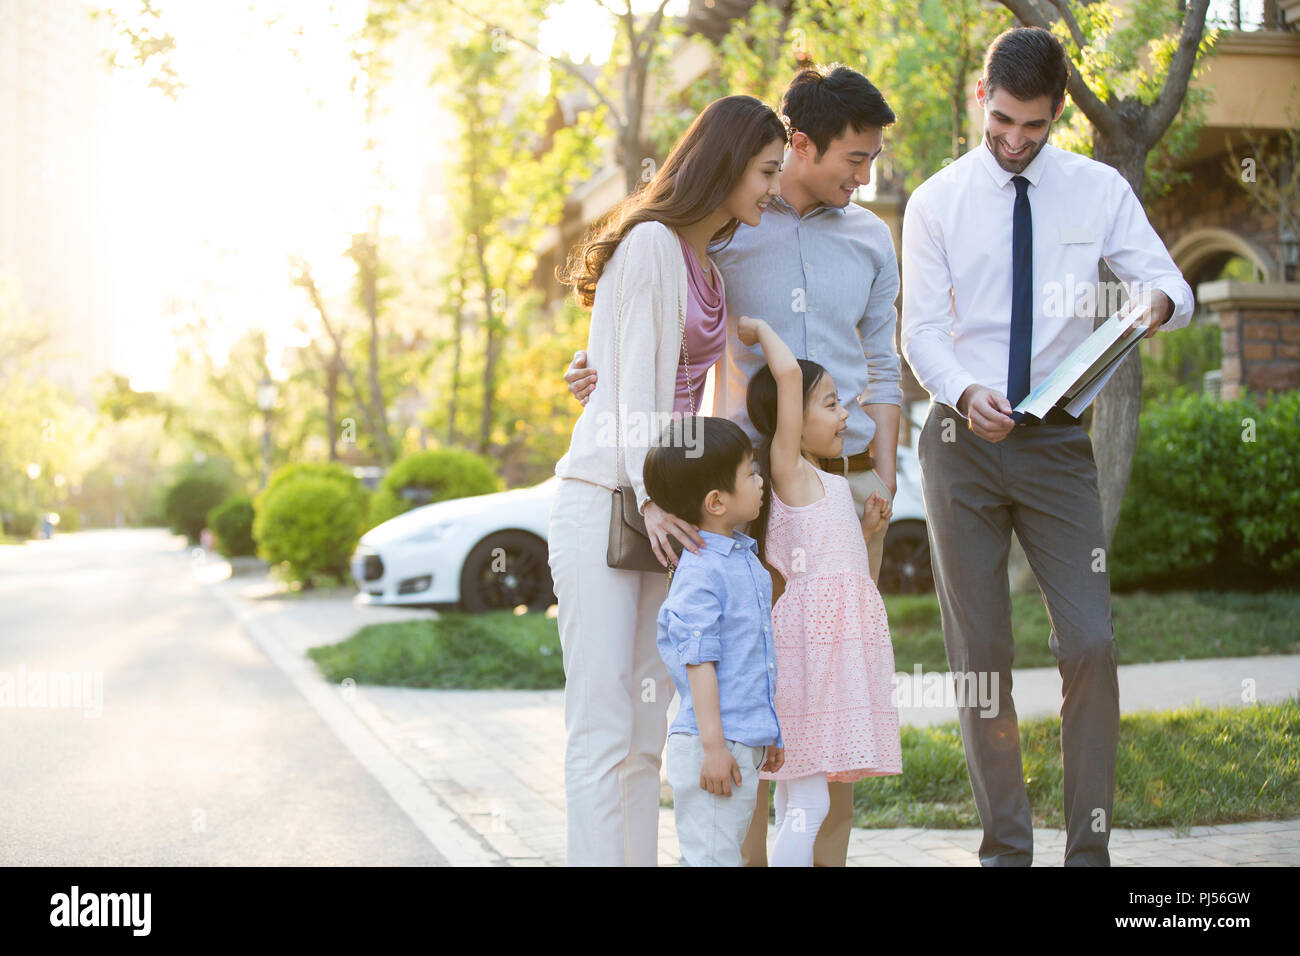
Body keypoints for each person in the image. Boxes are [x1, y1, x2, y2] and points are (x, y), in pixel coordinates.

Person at [565, 65, 902, 867]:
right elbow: (638, 368)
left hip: (762, 493)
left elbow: (883, 366)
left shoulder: (740, 255)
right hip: (685, 495)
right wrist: (601, 382)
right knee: (653, 713)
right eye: (855, 158)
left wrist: (881, 473)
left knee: (685, 719)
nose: (866, 175)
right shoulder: (688, 241)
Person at [900, 26, 1195, 867]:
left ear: (1059, 111)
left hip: (1059, 442)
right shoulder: (936, 201)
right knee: (982, 653)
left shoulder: (1096, 188)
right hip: (961, 440)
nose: (1015, 140)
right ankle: (1005, 850)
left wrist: (1154, 309)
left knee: (1090, 643)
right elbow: (919, 331)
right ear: (978, 100)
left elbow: (1170, 281)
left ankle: (1089, 852)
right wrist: (963, 390)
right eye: (1001, 121)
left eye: (1034, 126)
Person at [548, 94, 787, 866]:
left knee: (650, 730)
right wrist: (651, 493)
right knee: (603, 728)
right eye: (764, 171)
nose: (773, 189)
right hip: (608, 503)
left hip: (667, 517)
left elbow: (679, 392)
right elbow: (629, 398)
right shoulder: (651, 245)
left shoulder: (709, 269)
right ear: (723, 164)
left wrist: (691, 505)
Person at [737, 314, 901, 866]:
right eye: (829, 403)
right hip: (809, 663)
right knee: (806, 797)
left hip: (840, 661)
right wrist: (760, 328)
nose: (845, 414)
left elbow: (860, 586)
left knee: (807, 795)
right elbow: (786, 375)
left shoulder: (831, 486)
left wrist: (871, 534)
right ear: (790, 419)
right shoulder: (789, 472)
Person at [645, 415, 786, 866]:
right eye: (750, 472)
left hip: (740, 740)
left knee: (719, 855)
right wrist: (714, 748)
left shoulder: (741, 558)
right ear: (716, 502)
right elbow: (699, 663)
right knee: (712, 860)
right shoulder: (702, 572)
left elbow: (751, 658)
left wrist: (767, 732)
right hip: (714, 744)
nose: (761, 479)